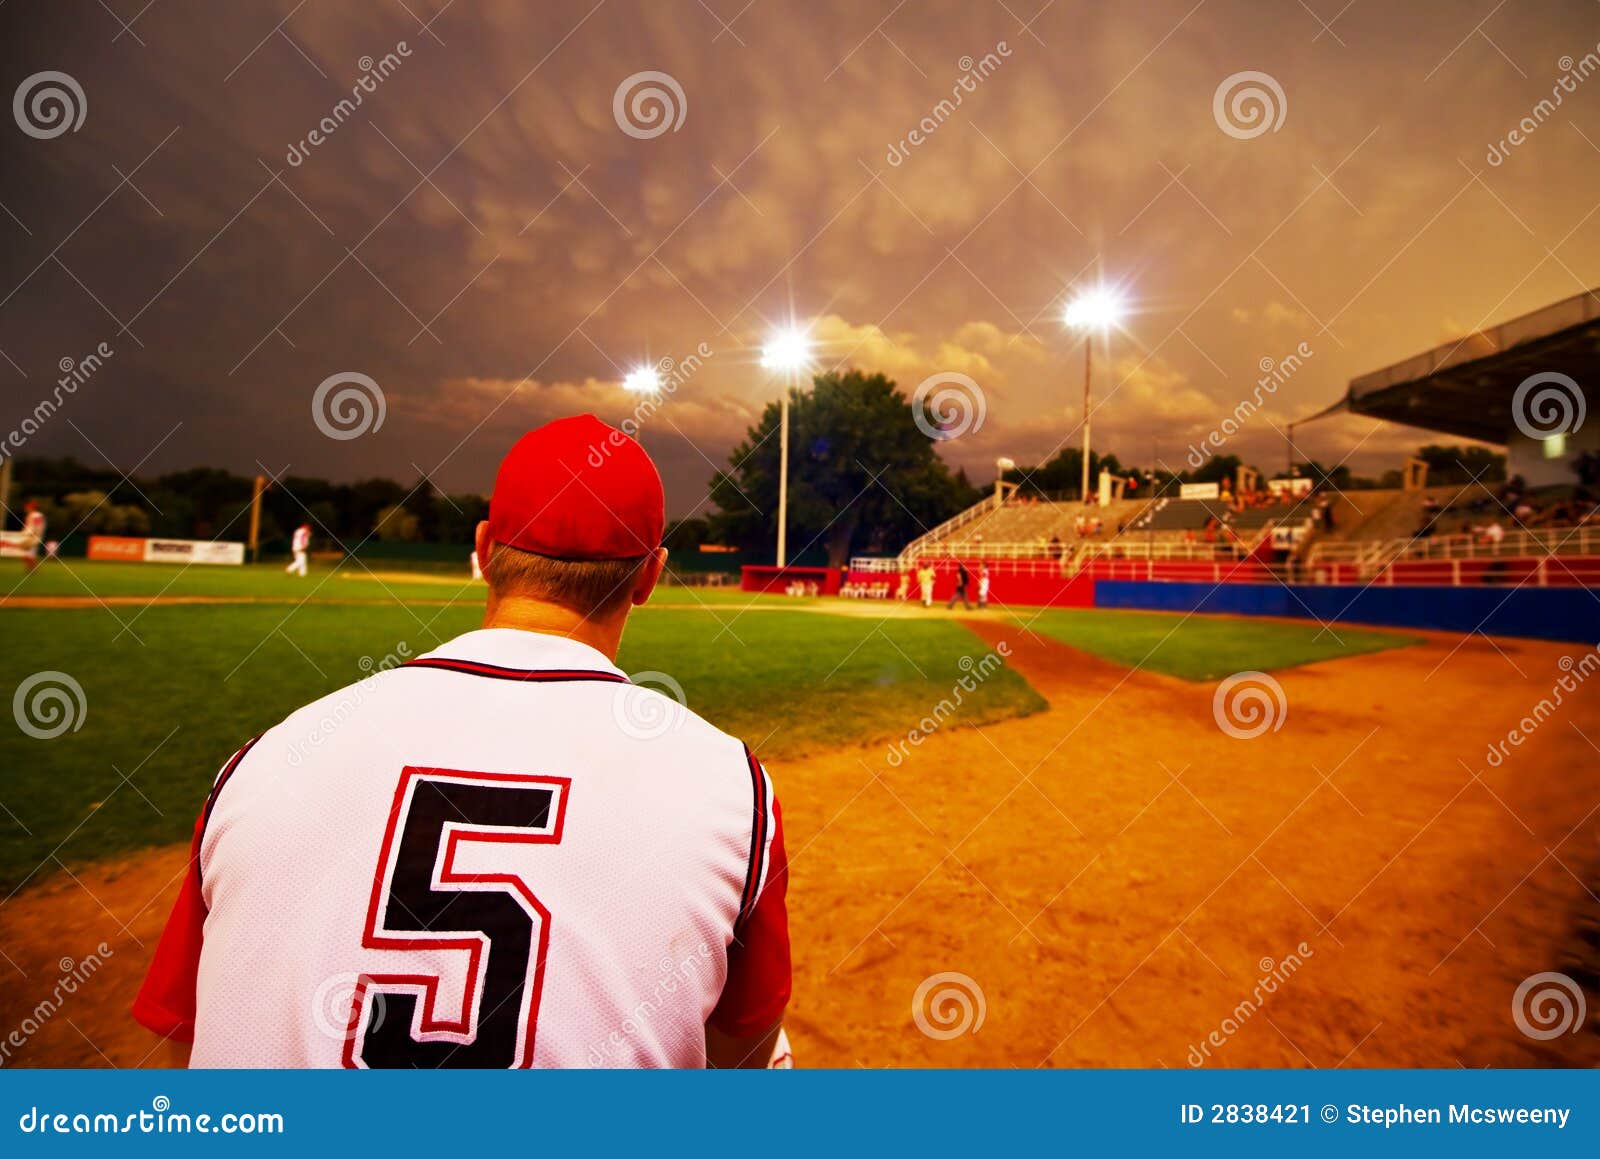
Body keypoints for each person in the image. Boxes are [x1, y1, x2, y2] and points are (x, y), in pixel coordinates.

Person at [132, 415, 790, 1069]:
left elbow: (178, 1038)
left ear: (482, 549)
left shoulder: (262, 763)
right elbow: (743, 1059)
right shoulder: (730, 789)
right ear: (650, 575)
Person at [21, 500, 46, 574]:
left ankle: (33, 568)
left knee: (27, 553)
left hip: (33, 536)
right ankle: (32, 569)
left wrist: (33, 534)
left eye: (27, 507)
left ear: (31, 507)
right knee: (27, 553)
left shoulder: (36, 515)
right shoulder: (32, 515)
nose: (25, 508)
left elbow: (38, 527)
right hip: (31, 536)